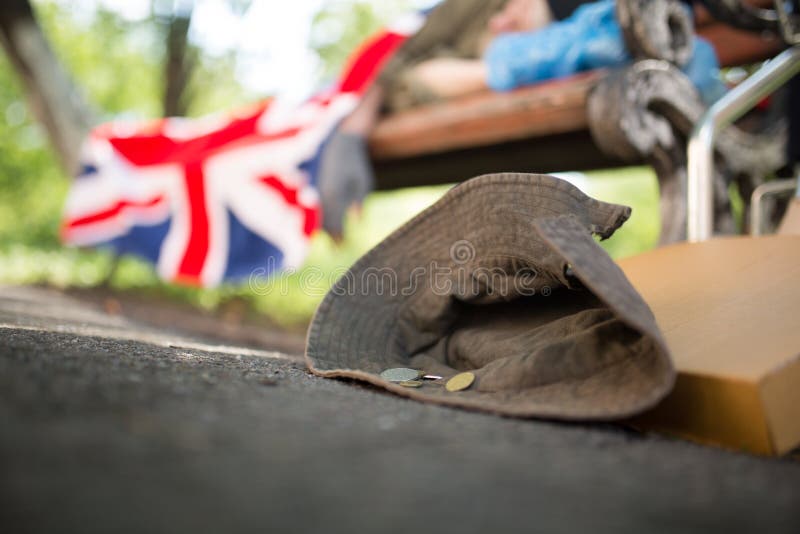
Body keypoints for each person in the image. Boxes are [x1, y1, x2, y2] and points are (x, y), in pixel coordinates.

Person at [318, 0, 591, 238]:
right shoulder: (474, 9)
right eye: (512, 5)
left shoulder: (545, 58)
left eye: (517, 22)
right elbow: (392, 61)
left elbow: (410, 83)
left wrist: (500, 69)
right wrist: (351, 133)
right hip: (341, 98)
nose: (499, 21)